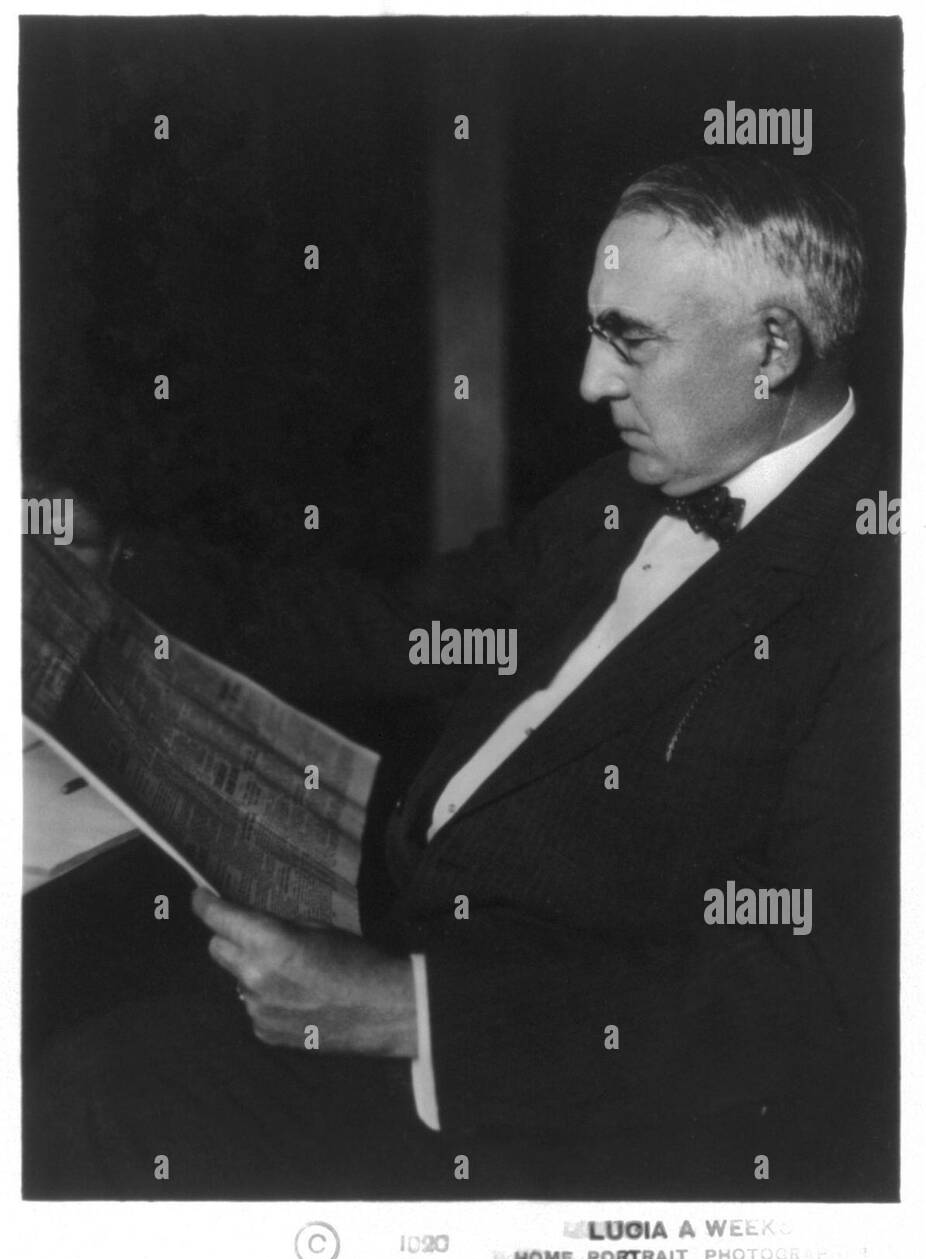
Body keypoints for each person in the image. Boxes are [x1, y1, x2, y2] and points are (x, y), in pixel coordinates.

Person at [24, 156, 899, 1201]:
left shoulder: (882, 584)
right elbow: (393, 627)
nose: (589, 382)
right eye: (593, 331)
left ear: (770, 349)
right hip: (395, 939)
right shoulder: (611, 497)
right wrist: (117, 562)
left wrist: (412, 1012)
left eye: (630, 340)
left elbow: (830, 999)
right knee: (71, 1006)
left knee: (87, 1093)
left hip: (571, 1115)